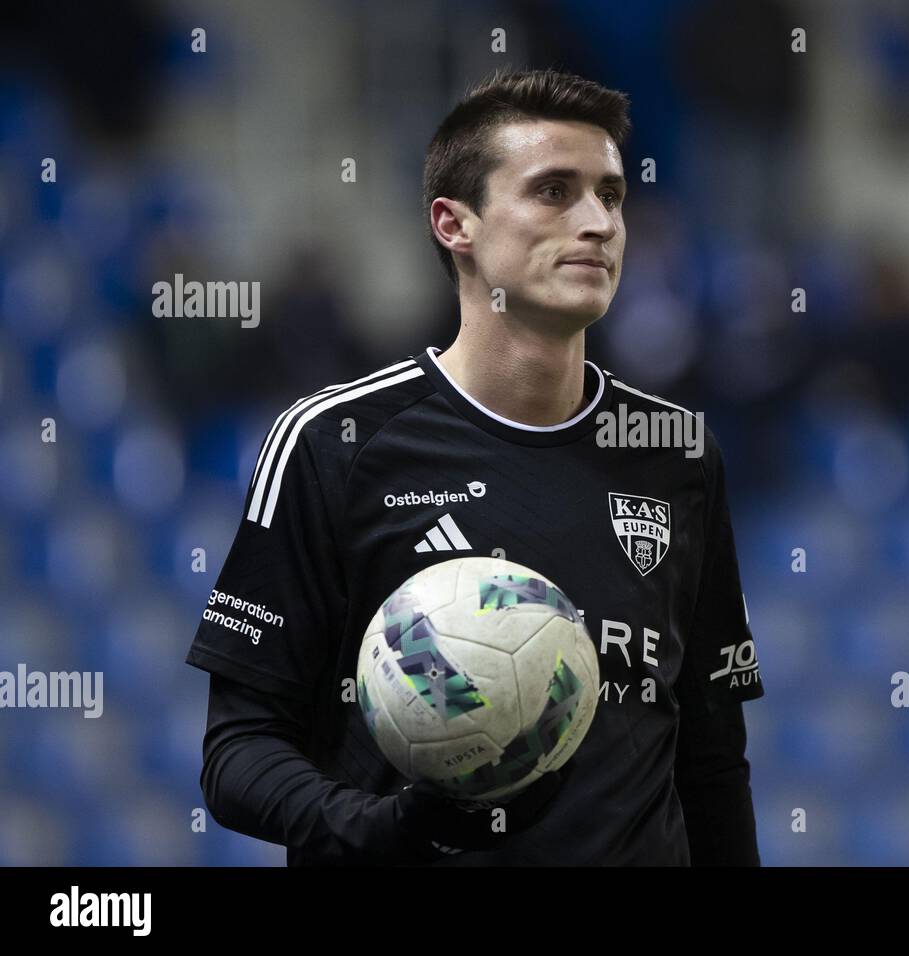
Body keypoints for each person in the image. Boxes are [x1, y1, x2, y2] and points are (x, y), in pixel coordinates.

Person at [186, 67, 765, 865]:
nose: (598, 222)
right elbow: (238, 755)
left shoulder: (677, 451)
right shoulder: (334, 442)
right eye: (555, 191)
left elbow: (711, 761)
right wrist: (383, 828)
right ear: (455, 224)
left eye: (612, 195)